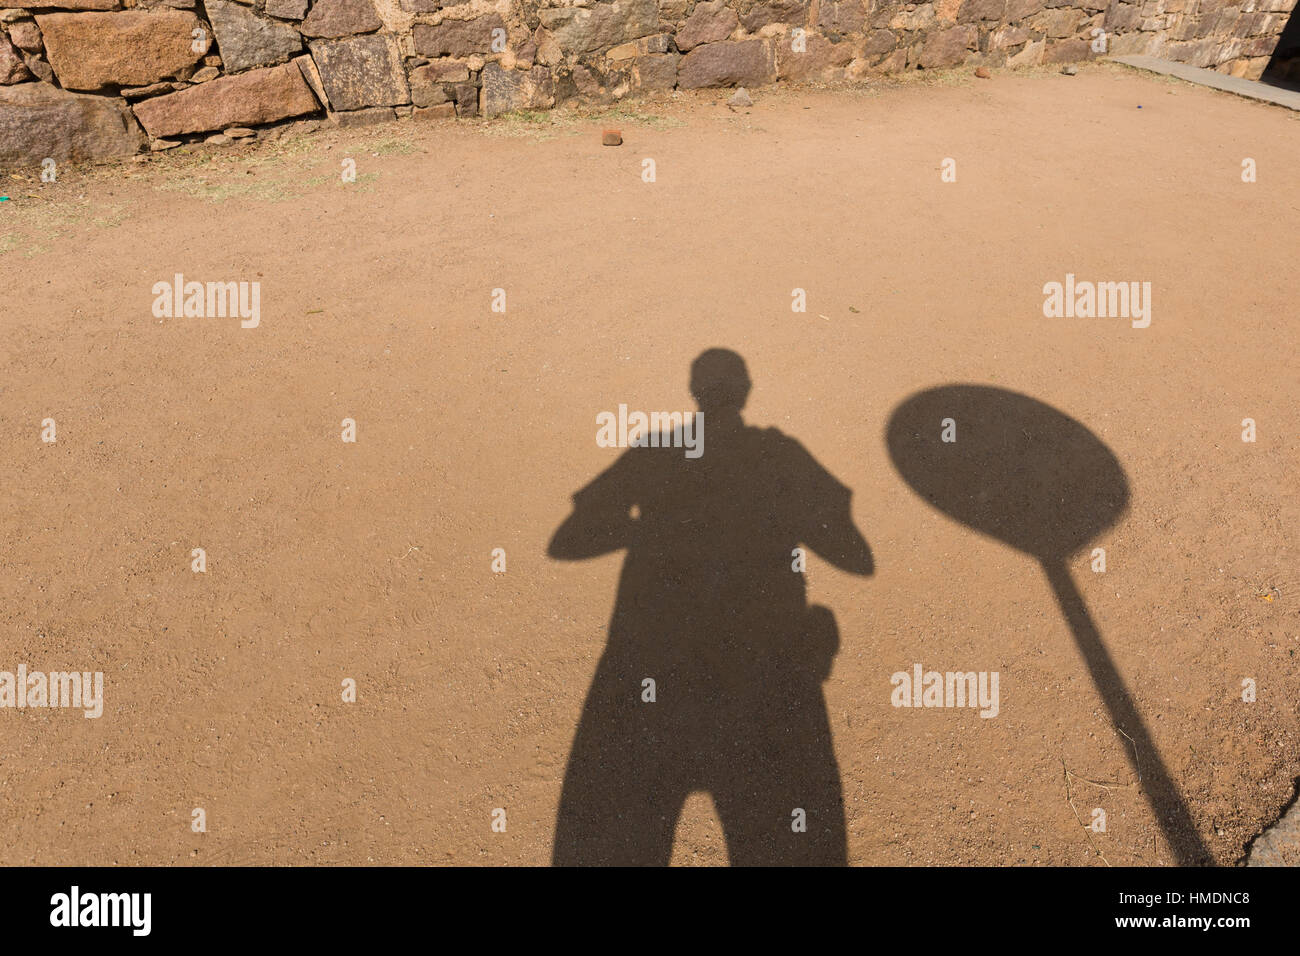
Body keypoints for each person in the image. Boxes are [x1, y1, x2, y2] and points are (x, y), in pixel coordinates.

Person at [550, 348, 873, 865]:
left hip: (653, 673)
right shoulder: (779, 455)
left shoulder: (655, 451)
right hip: (760, 681)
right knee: (775, 838)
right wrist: (787, 518)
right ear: (745, 391)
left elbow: (568, 539)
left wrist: (651, 533)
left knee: (630, 838)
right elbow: (858, 558)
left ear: (694, 392)